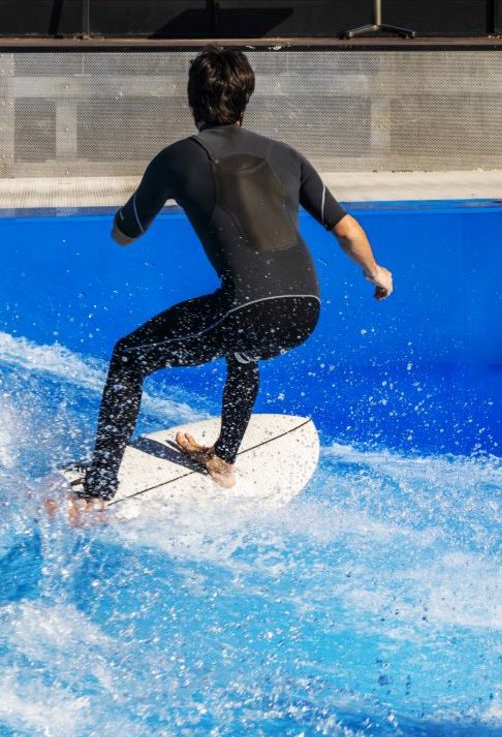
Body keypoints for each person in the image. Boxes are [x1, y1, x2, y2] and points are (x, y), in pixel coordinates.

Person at [65, 47, 392, 514]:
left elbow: (126, 233)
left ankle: (96, 492)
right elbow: (345, 228)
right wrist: (375, 273)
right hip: (304, 310)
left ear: (191, 100)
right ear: (246, 98)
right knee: (244, 346)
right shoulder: (287, 155)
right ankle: (224, 459)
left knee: (128, 358)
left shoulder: (177, 158)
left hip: (246, 308)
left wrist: (127, 215)